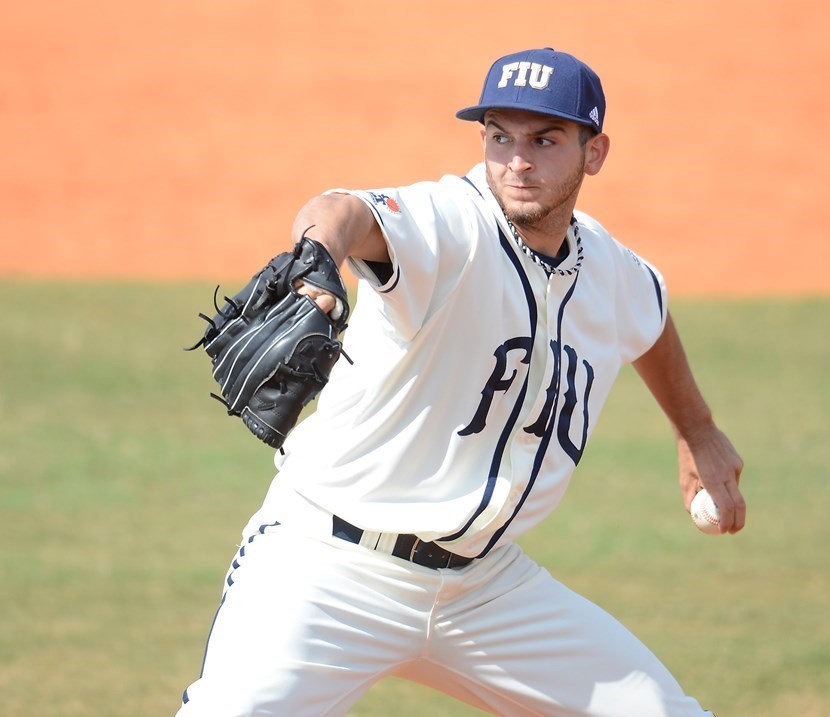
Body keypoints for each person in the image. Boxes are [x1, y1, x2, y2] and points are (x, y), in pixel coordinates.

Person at [177, 47, 745, 717]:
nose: (518, 160)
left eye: (546, 139)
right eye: (499, 136)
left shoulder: (612, 270)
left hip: (485, 589)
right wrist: (315, 262)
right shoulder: (450, 226)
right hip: (327, 566)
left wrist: (697, 428)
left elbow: (649, 322)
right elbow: (345, 210)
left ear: (595, 153)